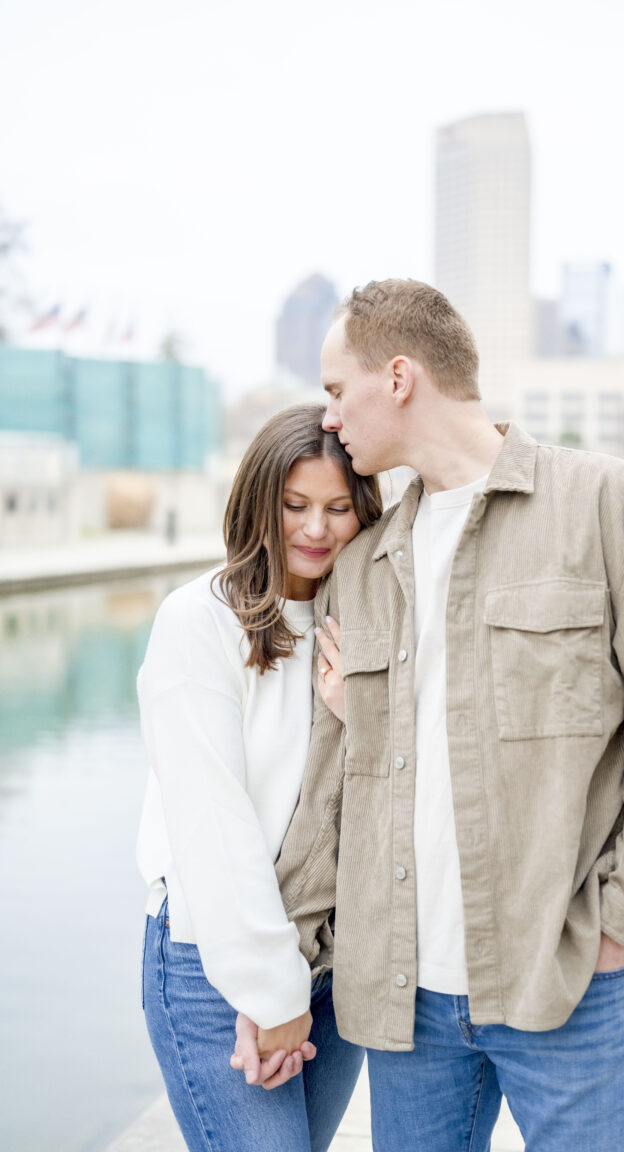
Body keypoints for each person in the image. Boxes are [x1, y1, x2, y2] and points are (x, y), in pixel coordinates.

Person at [267, 281, 624, 1152]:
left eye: (335, 390)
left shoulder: (612, 509)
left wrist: (623, 927)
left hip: (567, 986)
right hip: (407, 1011)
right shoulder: (361, 568)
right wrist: (283, 965)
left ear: (397, 376)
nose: (328, 421)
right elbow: (332, 794)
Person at [136, 403, 381, 1152]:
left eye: (338, 508)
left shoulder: (370, 624)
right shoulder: (200, 622)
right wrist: (273, 996)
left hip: (336, 962)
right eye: (294, 505)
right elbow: (216, 831)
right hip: (217, 959)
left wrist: (357, 713)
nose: (315, 529)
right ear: (257, 505)